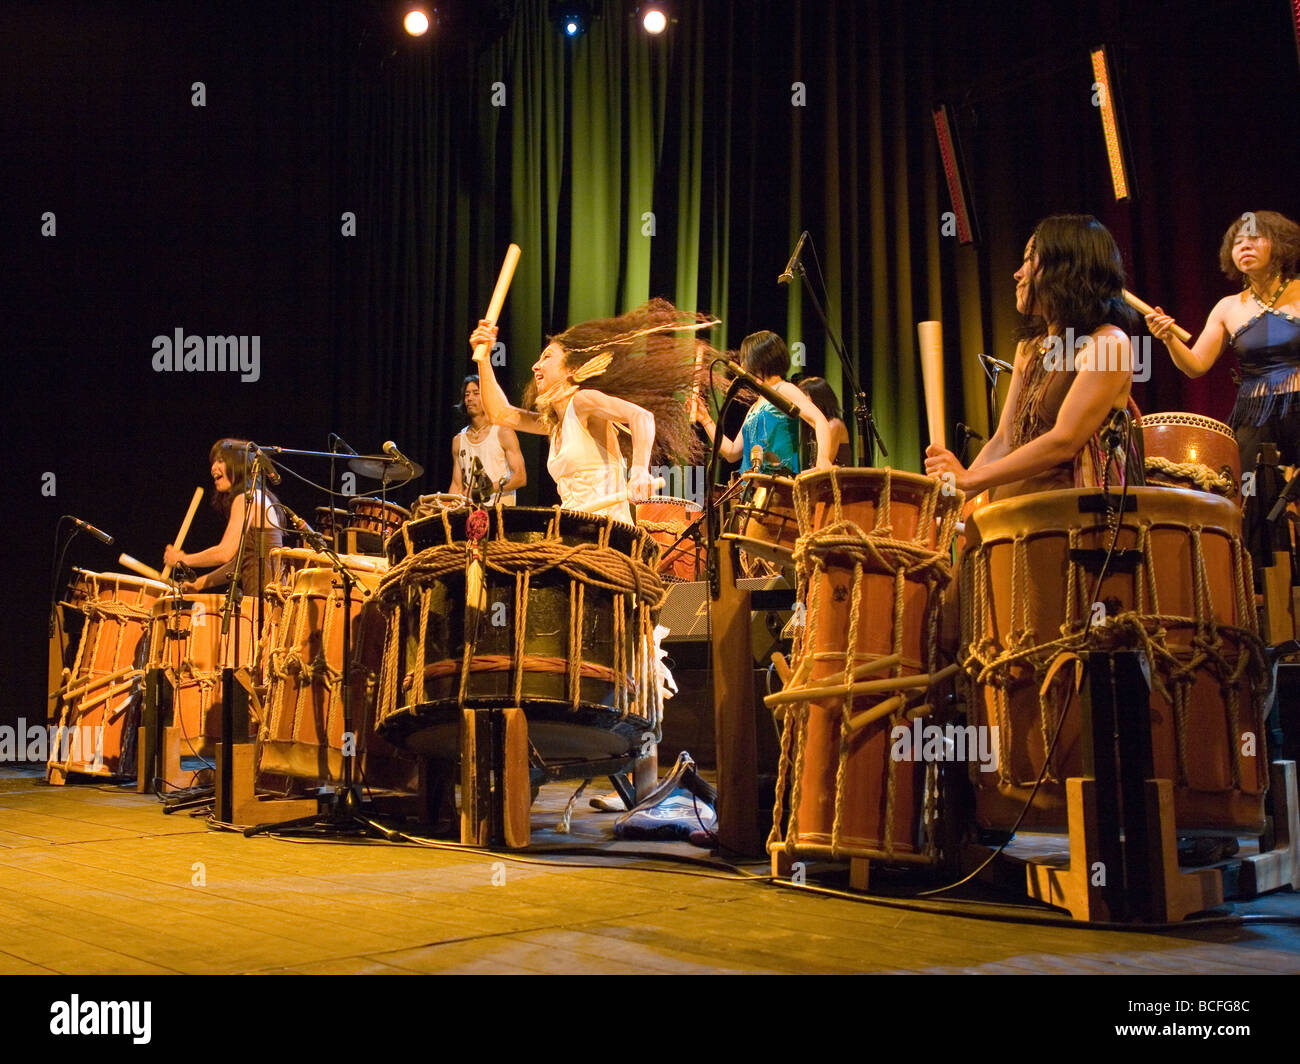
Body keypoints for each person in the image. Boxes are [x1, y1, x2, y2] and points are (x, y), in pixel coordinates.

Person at [924, 214, 1138, 500]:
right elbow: (1004, 441)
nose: (1018, 273)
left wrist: (968, 477)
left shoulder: (1108, 343)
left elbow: (1065, 439)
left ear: (1066, 267)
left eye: (1029, 259)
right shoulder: (1029, 348)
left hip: (1069, 521)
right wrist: (950, 493)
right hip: (1014, 516)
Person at [1145, 210, 1300, 568]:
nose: (1244, 245)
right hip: (1256, 418)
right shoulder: (1228, 307)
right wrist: (1168, 337)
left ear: (1281, 244)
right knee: (1251, 499)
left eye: (1255, 238)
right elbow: (1196, 366)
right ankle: (1265, 592)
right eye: (1237, 242)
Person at [469, 299, 714, 525]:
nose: (536, 366)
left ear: (570, 369)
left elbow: (641, 417)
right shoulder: (554, 424)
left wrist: (639, 471)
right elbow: (500, 413)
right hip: (574, 529)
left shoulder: (583, 402)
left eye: (547, 357)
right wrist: (484, 357)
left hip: (607, 533)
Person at [690, 331, 833, 475]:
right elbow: (732, 453)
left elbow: (819, 420)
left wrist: (823, 459)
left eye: (746, 358)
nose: (743, 364)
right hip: (752, 490)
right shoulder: (755, 406)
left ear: (760, 359)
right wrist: (705, 419)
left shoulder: (783, 389)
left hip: (778, 487)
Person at [163, 439, 283, 595]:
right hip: (269, 598)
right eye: (213, 462)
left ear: (238, 464)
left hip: (263, 601)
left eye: (220, 461)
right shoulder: (258, 496)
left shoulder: (247, 498)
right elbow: (238, 564)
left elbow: (224, 553)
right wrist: (198, 584)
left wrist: (182, 560)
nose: (213, 468)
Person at [448, 375, 526, 505]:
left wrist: (486, 489)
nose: (469, 398)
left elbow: (520, 477)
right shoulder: (458, 440)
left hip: (500, 512)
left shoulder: (503, 432)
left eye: (476, 393)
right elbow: (456, 486)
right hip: (471, 517)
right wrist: (446, 508)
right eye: (467, 395)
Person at [796, 376, 852, 465]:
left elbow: (824, 466)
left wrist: (799, 477)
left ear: (818, 398)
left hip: (836, 478)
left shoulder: (833, 425)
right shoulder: (814, 426)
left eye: (805, 395)